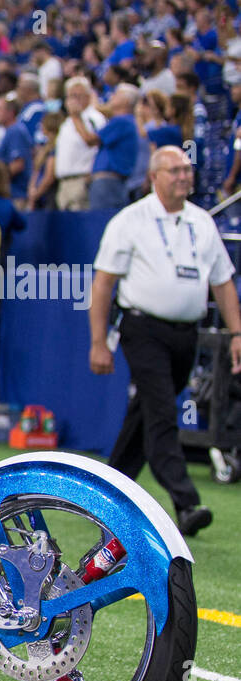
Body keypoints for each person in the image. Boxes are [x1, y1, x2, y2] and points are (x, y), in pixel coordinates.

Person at [88, 146, 241, 536]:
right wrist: (98, 341)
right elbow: (103, 283)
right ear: (154, 176)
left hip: (185, 333)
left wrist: (237, 332)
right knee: (161, 413)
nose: (184, 177)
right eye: (174, 171)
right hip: (143, 329)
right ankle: (186, 503)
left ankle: (105, 494)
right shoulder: (131, 220)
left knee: (144, 415)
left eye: (187, 170)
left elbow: (222, 281)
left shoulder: (201, 221)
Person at [73, 83, 140, 211]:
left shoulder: (122, 121)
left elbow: (90, 140)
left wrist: (75, 116)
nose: (111, 96)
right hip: (111, 182)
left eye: (116, 94)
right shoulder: (124, 121)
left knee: (100, 222)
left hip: (108, 183)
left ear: (126, 101)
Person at [55, 77, 107, 211]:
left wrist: (77, 117)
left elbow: (94, 143)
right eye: (71, 96)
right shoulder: (67, 121)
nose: (74, 100)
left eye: (78, 96)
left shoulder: (94, 118)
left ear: (89, 97)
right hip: (64, 182)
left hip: (80, 180)